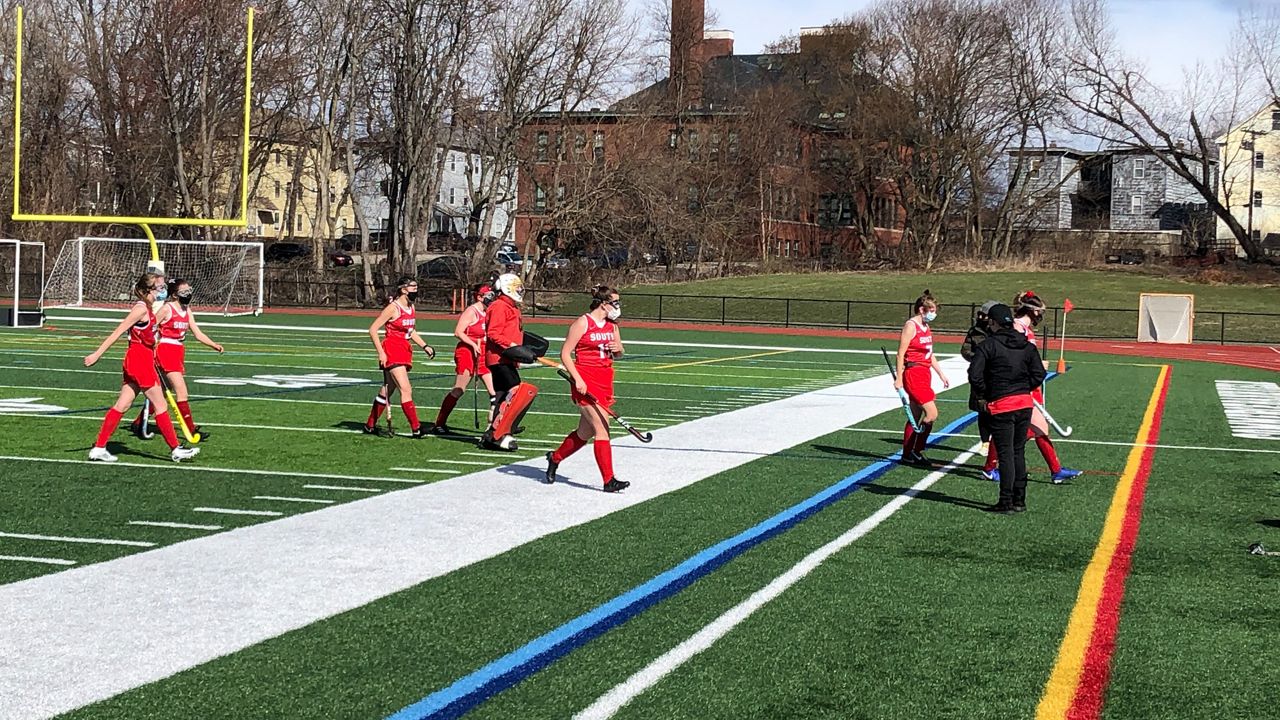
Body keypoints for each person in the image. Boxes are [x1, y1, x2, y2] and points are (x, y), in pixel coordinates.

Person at [83, 273, 199, 463]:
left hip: (141, 359)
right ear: (148, 290)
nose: (163, 291)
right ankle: (176, 449)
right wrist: (97, 354)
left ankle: (99, 448)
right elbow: (118, 331)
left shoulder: (150, 308)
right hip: (139, 361)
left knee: (123, 404)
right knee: (161, 405)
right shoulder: (140, 309)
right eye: (160, 287)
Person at [981, 291, 1081, 483]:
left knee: (1034, 430)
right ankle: (992, 467)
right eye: (1041, 312)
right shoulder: (1017, 328)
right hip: (1021, 387)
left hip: (1031, 386)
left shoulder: (1027, 330)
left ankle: (1055, 470)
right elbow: (1013, 358)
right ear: (1034, 311)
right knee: (1031, 429)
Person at [544, 285, 629, 493]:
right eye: (615, 303)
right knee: (602, 428)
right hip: (585, 379)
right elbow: (565, 354)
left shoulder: (613, 326)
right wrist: (578, 379)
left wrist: (618, 350)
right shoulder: (583, 323)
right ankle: (609, 480)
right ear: (603, 303)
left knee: (584, 432)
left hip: (605, 378)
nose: (618, 307)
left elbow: (619, 352)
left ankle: (555, 458)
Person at [968, 303, 1046, 513]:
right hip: (1024, 403)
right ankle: (1020, 499)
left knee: (1005, 453)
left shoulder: (989, 345)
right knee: (1018, 451)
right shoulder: (1026, 345)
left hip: (1002, 403)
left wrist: (986, 393)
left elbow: (974, 375)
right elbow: (1039, 373)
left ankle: (1006, 501)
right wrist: (1024, 387)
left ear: (993, 323)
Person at [129, 279, 224, 439]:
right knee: (182, 392)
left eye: (189, 290)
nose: (188, 294)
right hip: (166, 350)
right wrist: (148, 346)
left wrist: (213, 345)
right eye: (184, 292)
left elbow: (198, 333)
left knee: (163, 393)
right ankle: (190, 429)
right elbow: (150, 327)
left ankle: (139, 422)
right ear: (174, 295)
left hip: (178, 350)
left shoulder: (187, 310)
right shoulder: (167, 309)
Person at [363, 276, 435, 437]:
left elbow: (411, 330)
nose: (416, 290)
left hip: (404, 349)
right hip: (392, 350)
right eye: (413, 287)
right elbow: (373, 329)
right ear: (403, 289)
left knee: (388, 389)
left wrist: (424, 345)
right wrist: (381, 352)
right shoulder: (393, 308)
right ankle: (416, 428)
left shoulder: (411, 306)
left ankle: (370, 425)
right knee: (406, 389)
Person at [430, 283, 497, 433]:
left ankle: (492, 428)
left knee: (494, 392)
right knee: (459, 389)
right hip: (467, 350)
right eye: (488, 295)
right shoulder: (471, 311)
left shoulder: (490, 311)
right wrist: (473, 344)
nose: (491, 298)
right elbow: (458, 332)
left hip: (484, 352)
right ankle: (440, 423)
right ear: (479, 297)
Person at [895, 289, 951, 465]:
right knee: (932, 414)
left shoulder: (926, 328)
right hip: (913, 373)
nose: (934, 314)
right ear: (922, 309)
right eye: (932, 310)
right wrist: (898, 378)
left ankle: (906, 453)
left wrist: (941, 373)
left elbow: (930, 354)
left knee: (914, 414)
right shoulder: (911, 326)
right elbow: (901, 353)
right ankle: (917, 449)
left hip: (924, 372)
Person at [480, 272, 534, 450]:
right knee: (515, 392)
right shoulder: (500, 306)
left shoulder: (512, 308)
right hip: (500, 358)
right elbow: (494, 333)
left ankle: (493, 432)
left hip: (508, 358)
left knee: (503, 395)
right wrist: (513, 346)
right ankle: (500, 431)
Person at [961, 300, 999, 464]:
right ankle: (985, 442)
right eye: (980, 314)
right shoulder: (974, 331)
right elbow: (965, 350)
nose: (982, 317)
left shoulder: (999, 331)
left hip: (997, 375)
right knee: (982, 410)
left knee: (997, 410)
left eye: (985, 314)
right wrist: (977, 358)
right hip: (980, 375)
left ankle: (997, 444)